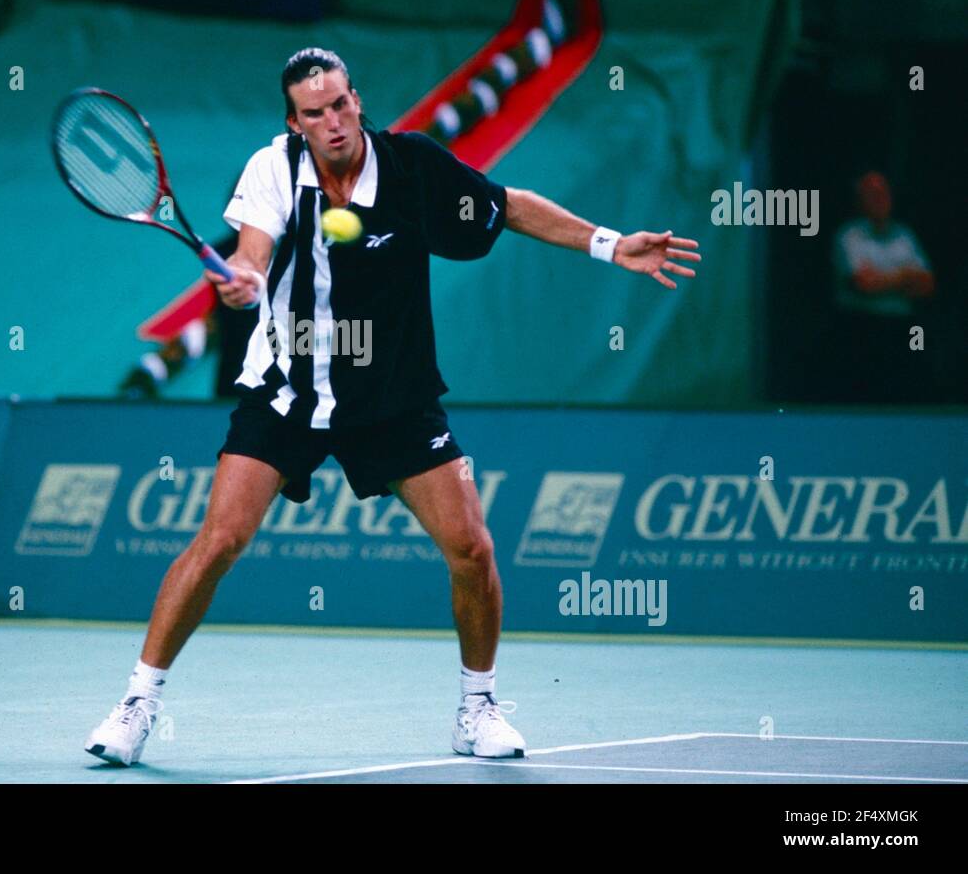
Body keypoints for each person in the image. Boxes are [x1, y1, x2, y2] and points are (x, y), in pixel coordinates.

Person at [86, 47, 700, 766]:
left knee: (471, 547)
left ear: (357, 99)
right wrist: (246, 279)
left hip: (394, 397)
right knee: (219, 540)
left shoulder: (410, 166)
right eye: (315, 113)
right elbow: (254, 249)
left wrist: (610, 243)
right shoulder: (272, 170)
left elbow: (508, 208)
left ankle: (478, 709)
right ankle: (138, 703)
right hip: (287, 390)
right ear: (295, 122)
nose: (334, 120)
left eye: (342, 103)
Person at [832, 171, 935, 402]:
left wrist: (883, 279)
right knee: (863, 396)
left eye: (884, 193)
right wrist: (905, 276)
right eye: (873, 194)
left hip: (902, 330)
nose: (881, 199)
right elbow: (863, 284)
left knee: (905, 393)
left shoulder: (904, 235)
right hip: (861, 330)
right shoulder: (849, 236)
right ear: (859, 201)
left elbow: (927, 284)